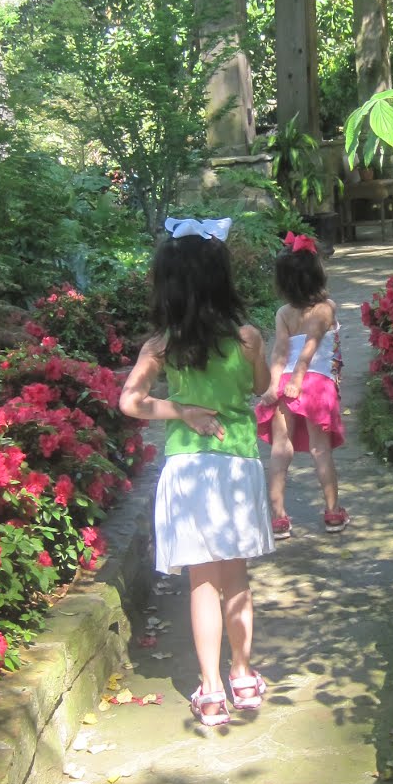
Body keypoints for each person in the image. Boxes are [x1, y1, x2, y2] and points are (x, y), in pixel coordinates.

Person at [119, 219, 274, 727]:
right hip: (236, 465)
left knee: (201, 584)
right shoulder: (248, 337)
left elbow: (132, 403)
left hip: (187, 470)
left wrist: (180, 411)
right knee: (237, 579)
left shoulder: (161, 346)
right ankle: (244, 675)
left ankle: (209, 691)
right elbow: (259, 387)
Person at [255, 231, 347, 538]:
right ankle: (333, 513)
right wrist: (297, 379)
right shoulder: (327, 308)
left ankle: (279, 517)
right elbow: (311, 345)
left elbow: (281, 351)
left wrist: (273, 386)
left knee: (281, 449)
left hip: (286, 384)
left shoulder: (283, 313)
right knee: (321, 451)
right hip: (316, 385)